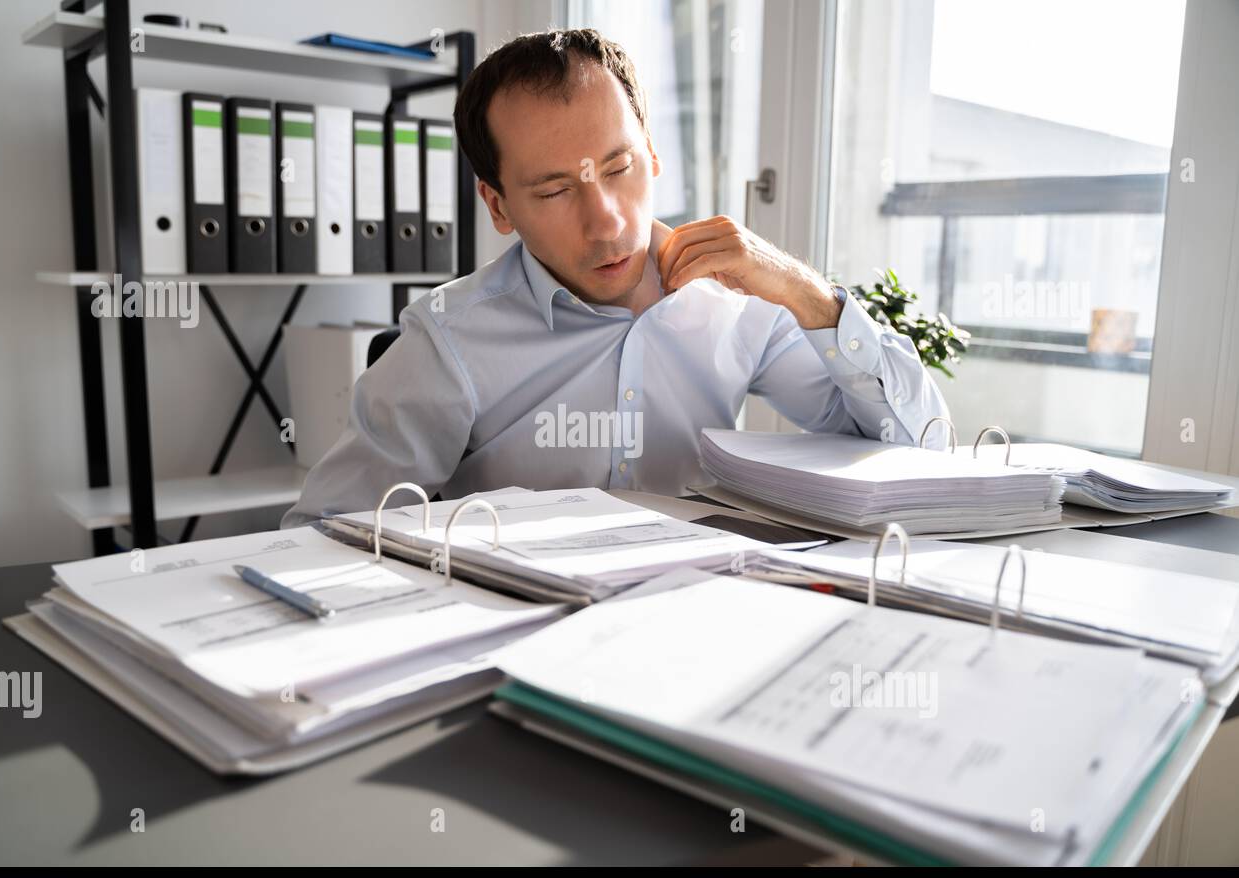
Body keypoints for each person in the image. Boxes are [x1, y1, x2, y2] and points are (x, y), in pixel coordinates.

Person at [282, 28, 948, 527]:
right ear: (498, 206)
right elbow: (327, 531)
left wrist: (805, 293)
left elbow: (920, 448)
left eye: (619, 167)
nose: (604, 222)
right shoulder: (450, 339)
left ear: (654, 155)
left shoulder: (740, 301)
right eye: (552, 191)